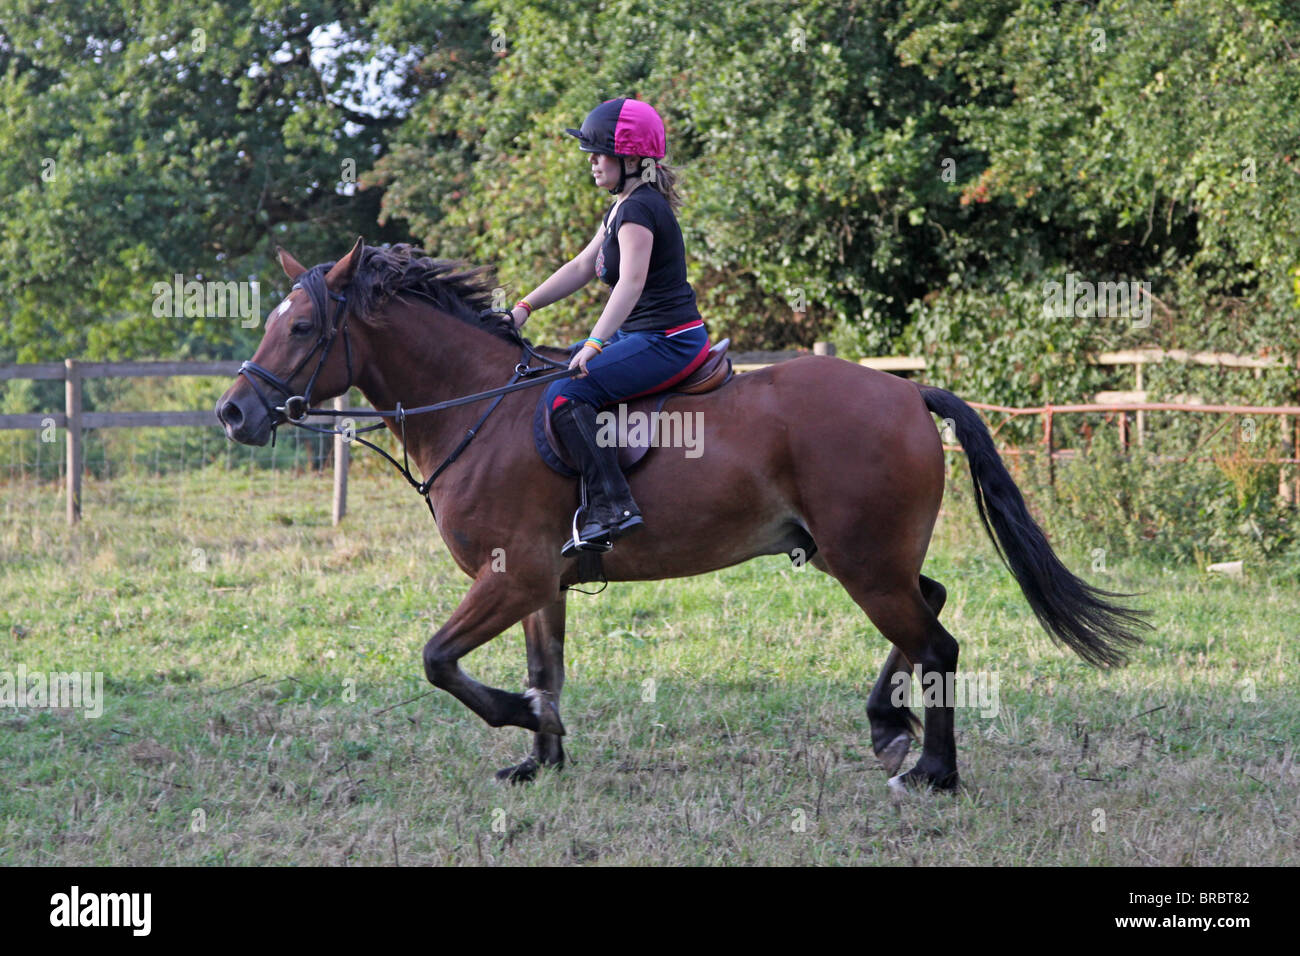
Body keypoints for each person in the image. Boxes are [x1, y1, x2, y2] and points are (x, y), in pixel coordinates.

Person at [510, 98, 711, 557]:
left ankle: (613, 506)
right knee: (548, 369)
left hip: (668, 341)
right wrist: (524, 307)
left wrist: (597, 342)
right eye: (591, 154)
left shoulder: (641, 209)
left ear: (632, 159)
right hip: (640, 337)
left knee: (567, 393)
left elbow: (632, 283)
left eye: (599, 154)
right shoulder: (622, 206)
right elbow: (582, 266)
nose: (592, 162)